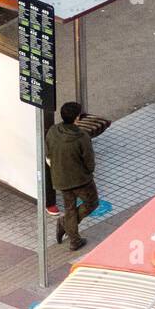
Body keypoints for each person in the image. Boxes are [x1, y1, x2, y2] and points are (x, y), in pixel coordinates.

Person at [45, 101, 98, 251]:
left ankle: (74, 239)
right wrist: (89, 172)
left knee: (70, 208)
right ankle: (66, 226)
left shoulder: (53, 131)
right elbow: (89, 160)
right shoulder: (82, 137)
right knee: (92, 203)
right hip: (81, 180)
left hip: (60, 178)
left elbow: (48, 154)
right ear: (76, 118)